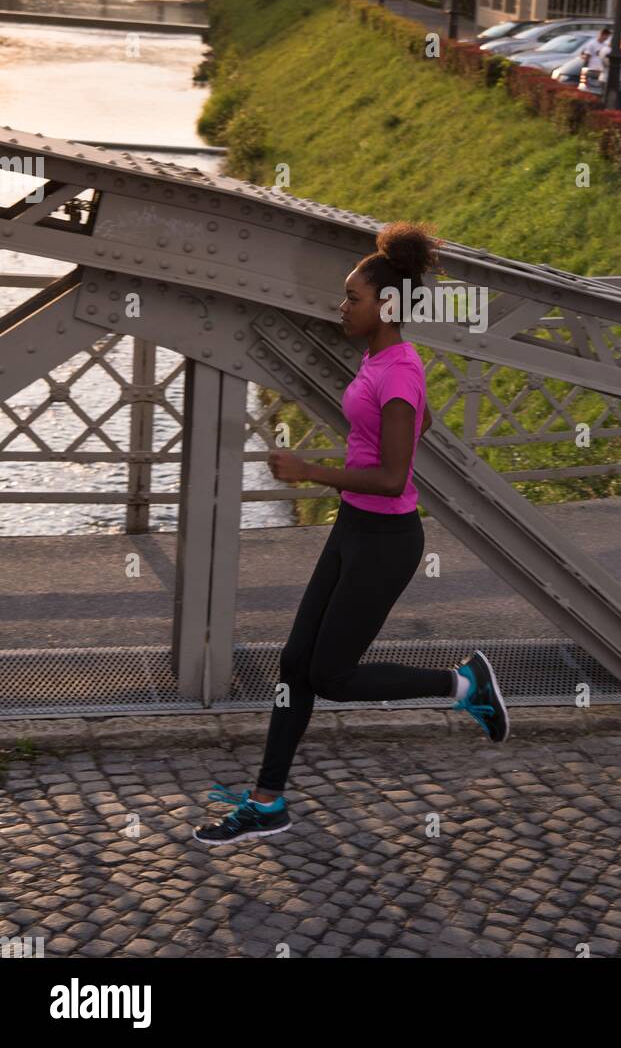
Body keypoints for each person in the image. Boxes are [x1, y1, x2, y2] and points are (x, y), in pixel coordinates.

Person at [192, 221, 510, 847]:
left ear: (385, 306)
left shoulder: (399, 372)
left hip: (385, 541)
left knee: (332, 675)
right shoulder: (381, 361)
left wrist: (312, 471)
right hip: (355, 530)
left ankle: (465, 684)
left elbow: (394, 478)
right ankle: (267, 802)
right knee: (295, 663)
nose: (342, 307)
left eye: (353, 298)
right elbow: (401, 435)